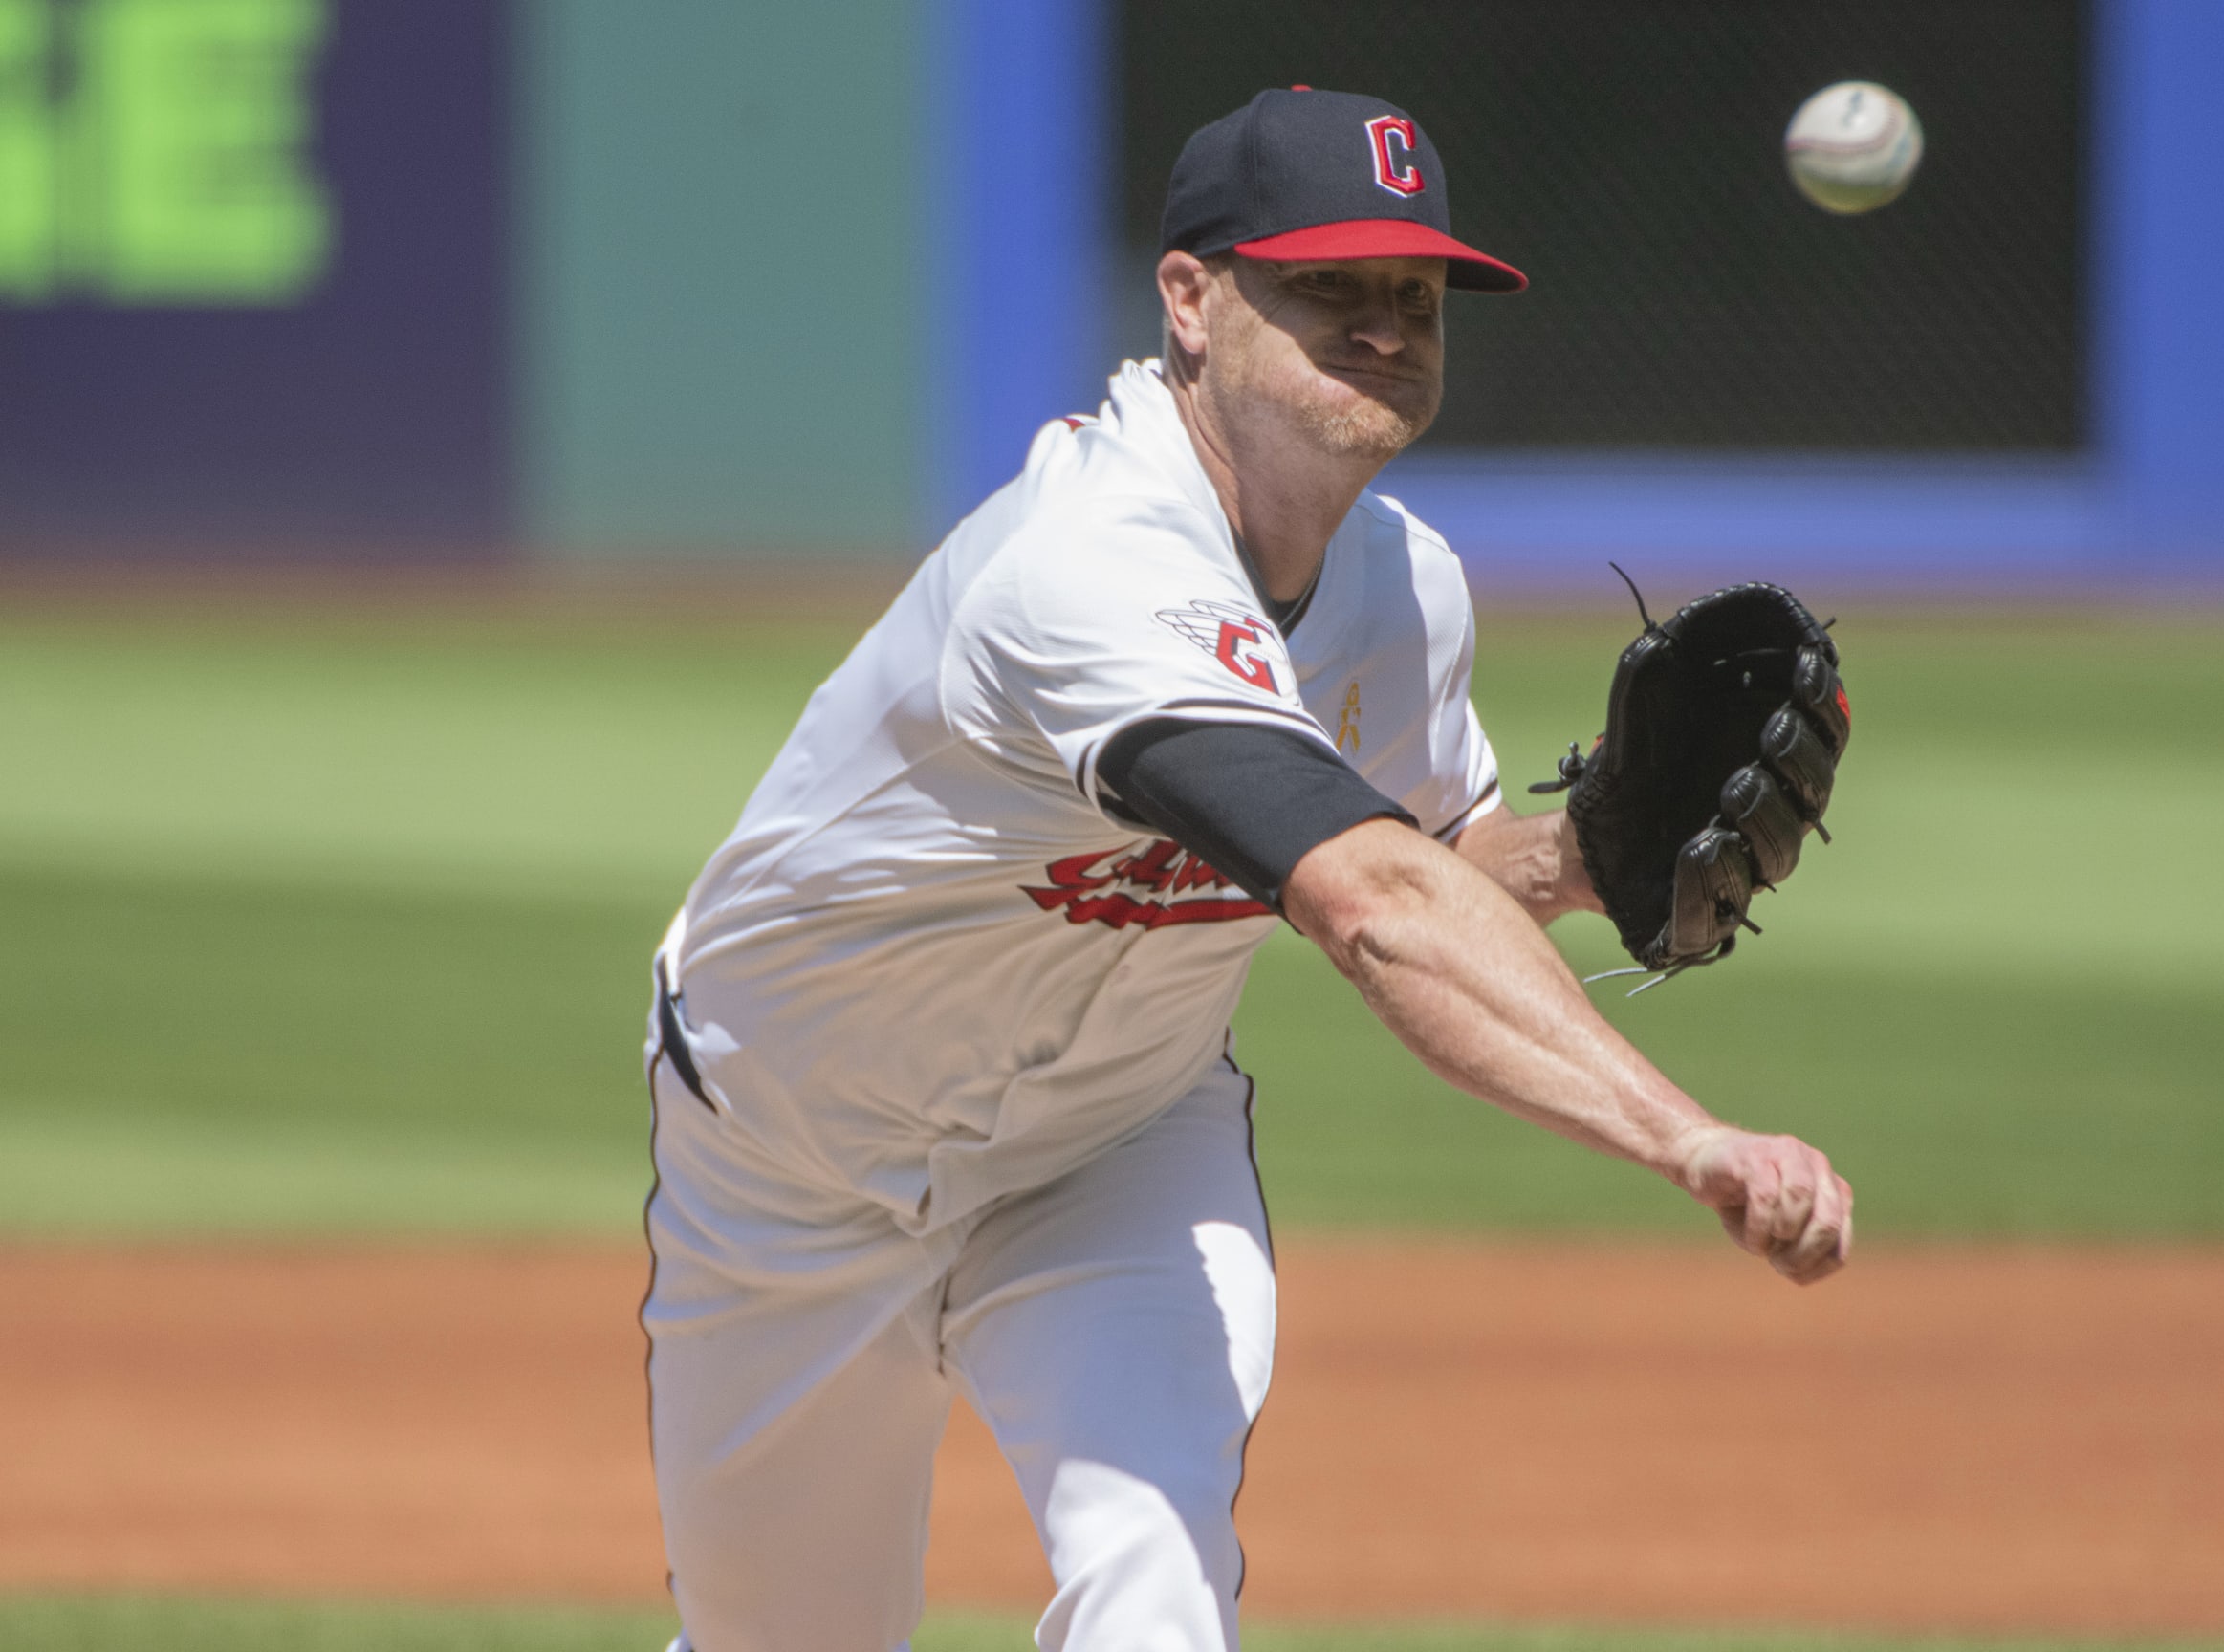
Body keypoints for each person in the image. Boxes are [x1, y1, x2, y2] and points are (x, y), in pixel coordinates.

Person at [642, 87, 1855, 1652]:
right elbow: (1370, 907)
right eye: (1329, 287)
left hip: (1116, 1149)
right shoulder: (1085, 562)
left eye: (1415, 297)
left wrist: (1577, 854)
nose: (1386, 329)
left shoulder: (1405, 590)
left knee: (1157, 1604)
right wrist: (1692, 1140)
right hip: (792, 1150)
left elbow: (1420, 854)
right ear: (1192, 303)